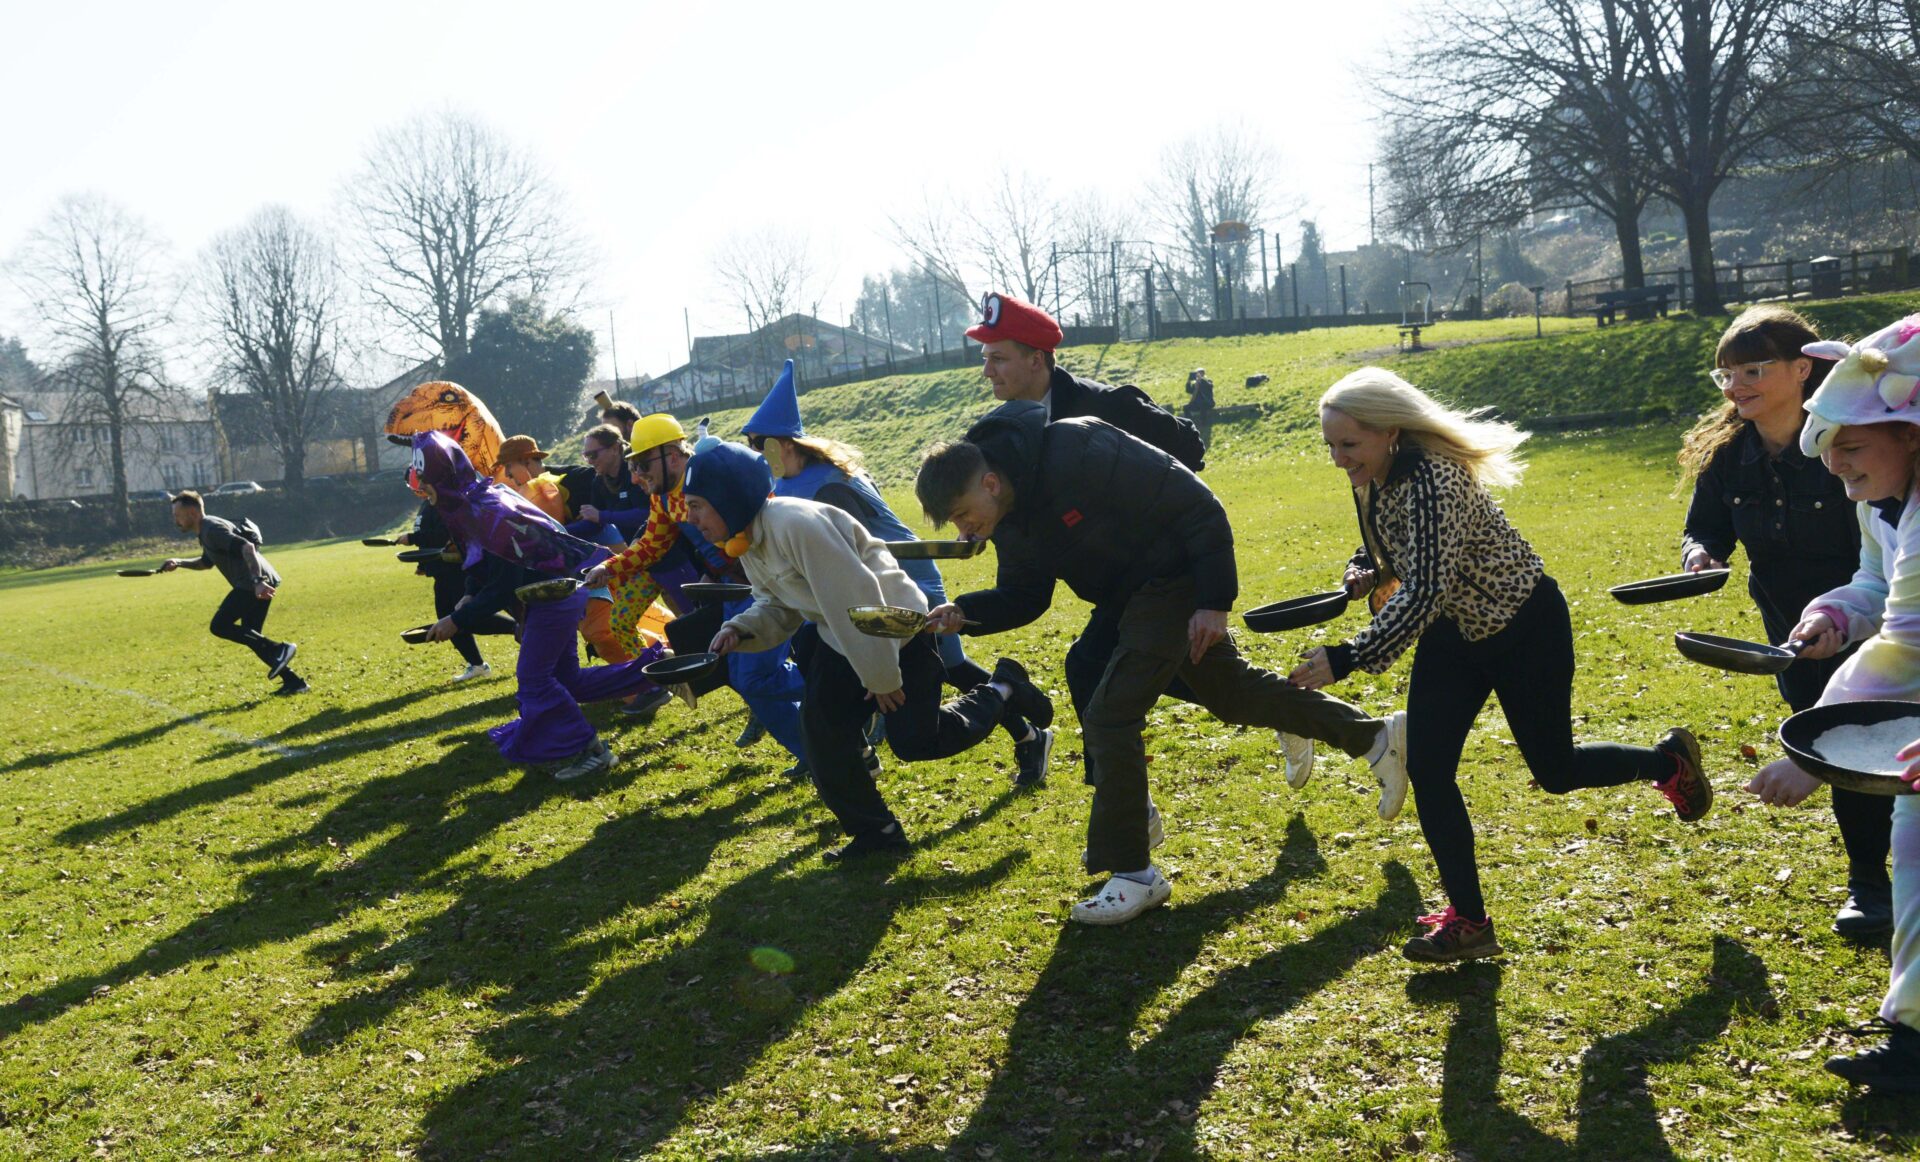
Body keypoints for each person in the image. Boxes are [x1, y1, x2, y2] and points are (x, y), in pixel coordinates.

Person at [915, 401, 1406, 926]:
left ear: (989, 482)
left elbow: (1196, 504)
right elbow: (1025, 593)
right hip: (1130, 596)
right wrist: (964, 612)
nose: (965, 531)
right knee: (1229, 693)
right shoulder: (1008, 516)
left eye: (964, 515)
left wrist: (1214, 600)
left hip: (1176, 577)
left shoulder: (1076, 448)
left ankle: (1134, 872)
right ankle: (1377, 736)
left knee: (1110, 712)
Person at [1285, 367, 1710, 963]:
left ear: (1391, 432)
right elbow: (1400, 545)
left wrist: (1349, 656)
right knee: (1430, 771)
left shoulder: (1436, 478)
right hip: (1454, 637)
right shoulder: (1376, 477)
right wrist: (1368, 565)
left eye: (1348, 444)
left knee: (1556, 769)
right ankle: (1470, 922)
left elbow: (1428, 584)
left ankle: (1667, 763)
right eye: (1329, 445)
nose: (1338, 459)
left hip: (1522, 628)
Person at [963, 292, 1315, 792]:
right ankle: (1286, 714)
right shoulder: (1004, 438)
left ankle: (1116, 804)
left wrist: (1147, 514)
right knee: (1172, 668)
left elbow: (1187, 450)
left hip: (1163, 569)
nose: (988, 372)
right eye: (985, 360)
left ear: (1036, 359)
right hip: (1115, 583)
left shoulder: (1106, 407)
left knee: (1092, 663)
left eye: (998, 358)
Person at [689, 442, 1048, 862]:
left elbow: (860, 604)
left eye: (696, 505)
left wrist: (881, 680)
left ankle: (1002, 688)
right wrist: (739, 628)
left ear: (729, 498)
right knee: (822, 732)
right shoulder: (748, 538)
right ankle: (877, 833)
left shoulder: (795, 524)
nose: (690, 518)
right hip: (839, 636)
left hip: (895, 631)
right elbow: (777, 604)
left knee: (916, 741)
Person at [1737, 314, 1920, 1093]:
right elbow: (1880, 590)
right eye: (1829, 443)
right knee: (1913, 870)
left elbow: (1906, 644)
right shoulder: (1885, 500)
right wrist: (1832, 615)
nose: (1834, 462)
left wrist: (1809, 752)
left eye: (1854, 444)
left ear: (1911, 431)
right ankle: (1911, 1046)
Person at [1678, 306, 1890, 939]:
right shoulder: (1729, 457)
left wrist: (1851, 616)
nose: (1736, 385)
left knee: (1869, 741)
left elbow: (1883, 549)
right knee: (1837, 745)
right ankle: (1872, 881)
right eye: (1726, 375)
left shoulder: (1847, 442)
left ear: (1803, 369)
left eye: (1752, 369)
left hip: (1880, 621)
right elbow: (1705, 527)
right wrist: (1699, 552)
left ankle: (1874, 886)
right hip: (1793, 636)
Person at [742, 359, 1053, 786]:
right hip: (865, 591)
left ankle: (1025, 728)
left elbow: (849, 568)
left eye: (761, 446)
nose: (758, 458)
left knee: (946, 664)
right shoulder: (792, 487)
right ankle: (854, 746)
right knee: (823, 652)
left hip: (901, 582)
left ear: (784, 445)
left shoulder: (825, 485)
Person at [404, 431, 662, 782]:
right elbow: (484, 563)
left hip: (555, 592)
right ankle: (656, 673)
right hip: (551, 592)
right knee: (566, 681)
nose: (424, 491)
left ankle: (590, 750)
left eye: (427, 482)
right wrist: (468, 594)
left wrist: (457, 619)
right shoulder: (472, 504)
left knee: (534, 679)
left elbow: (503, 580)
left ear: (443, 479)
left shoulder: (485, 508)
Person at [583, 415, 809, 775]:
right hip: (732, 589)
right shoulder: (662, 498)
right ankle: (815, 751)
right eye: (634, 466)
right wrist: (609, 568)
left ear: (672, 454)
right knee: (741, 677)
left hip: (769, 581)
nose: (639, 476)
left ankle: (840, 687)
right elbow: (653, 545)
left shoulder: (715, 474)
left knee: (753, 678)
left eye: (643, 464)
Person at [161, 491, 309, 696]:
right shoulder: (206, 530)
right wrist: (179, 562)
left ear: (193, 513)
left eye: (177, 515)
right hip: (257, 582)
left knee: (219, 626)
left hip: (251, 583)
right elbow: (206, 563)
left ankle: (279, 649)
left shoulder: (212, 530)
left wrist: (258, 582)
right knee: (251, 635)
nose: (175, 520)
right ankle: (294, 682)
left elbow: (247, 547)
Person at [396, 497, 514, 682]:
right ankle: (476, 664)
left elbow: (443, 535)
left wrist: (412, 538)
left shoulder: (445, 503)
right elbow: (428, 538)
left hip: (455, 570)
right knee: (447, 615)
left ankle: (520, 629)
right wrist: (423, 564)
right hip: (440, 571)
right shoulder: (427, 503)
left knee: (465, 617)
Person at [1184, 367, 1216, 450]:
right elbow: (1188, 390)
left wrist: (1201, 380)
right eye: (1197, 373)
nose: (1198, 375)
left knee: (1202, 405)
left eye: (1200, 373)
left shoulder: (1207, 381)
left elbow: (1209, 386)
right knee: (1186, 408)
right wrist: (1189, 380)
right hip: (1198, 404)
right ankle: (1189, 425)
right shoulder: (1196, 384)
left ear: (1203, 374)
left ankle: (1204, 423)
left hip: (1208, 403)